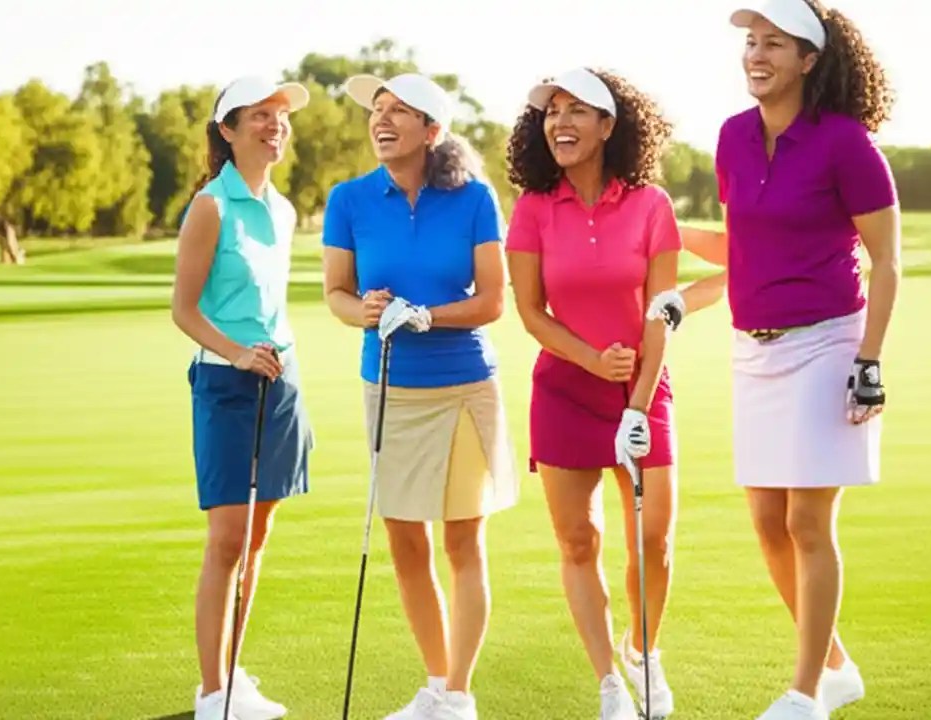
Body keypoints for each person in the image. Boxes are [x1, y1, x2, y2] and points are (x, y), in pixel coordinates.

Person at [654, 2, 901, 718]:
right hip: (753, 349)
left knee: (807, 523)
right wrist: (666, 235)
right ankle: (838, 666)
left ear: (810, 60)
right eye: (750, 43)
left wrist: (871, 360)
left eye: (774, 44)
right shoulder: (733, 138)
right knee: (765, 521)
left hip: (829, 344)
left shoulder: (847, 144)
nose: (756, 55)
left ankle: (805, 694)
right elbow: (745, 248)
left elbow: (887, 261)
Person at [321, 71, 519, 720]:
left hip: (463, 385)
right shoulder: (348, 200)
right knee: (406, 541)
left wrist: (429, 315)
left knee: (463, 542)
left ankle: (459, 693)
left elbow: (492, 299)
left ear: (432, 132)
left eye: (400, 111)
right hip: (389, 390)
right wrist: (368, 309)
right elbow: (338, 297)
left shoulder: (473, 199)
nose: (382, 119)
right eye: (377, 110)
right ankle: (436, 684)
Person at [505, 67, 682, 720]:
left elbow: (661, 309)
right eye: (551, 111)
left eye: (578, 110)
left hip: (643, 389)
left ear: (610, 126)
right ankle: (610, 682)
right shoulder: (532, 209)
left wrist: (636, 400)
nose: (561, 122)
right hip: (563, 393)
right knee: (578, 543)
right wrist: (589, 359)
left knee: (655, 539)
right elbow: (529, 311)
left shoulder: (650, 205)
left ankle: (644, 650)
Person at [170, 75, 314, 720]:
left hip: (280, 383)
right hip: (227, 383)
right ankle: (211, 694)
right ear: (227, 130)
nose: (273, 125)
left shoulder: (281, 209)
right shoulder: (212, 207)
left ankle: (233, 675)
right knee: (227, 540)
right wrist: (235, 353)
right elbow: (183, 309)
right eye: (258, 115)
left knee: (256, 541)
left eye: (279, 116)